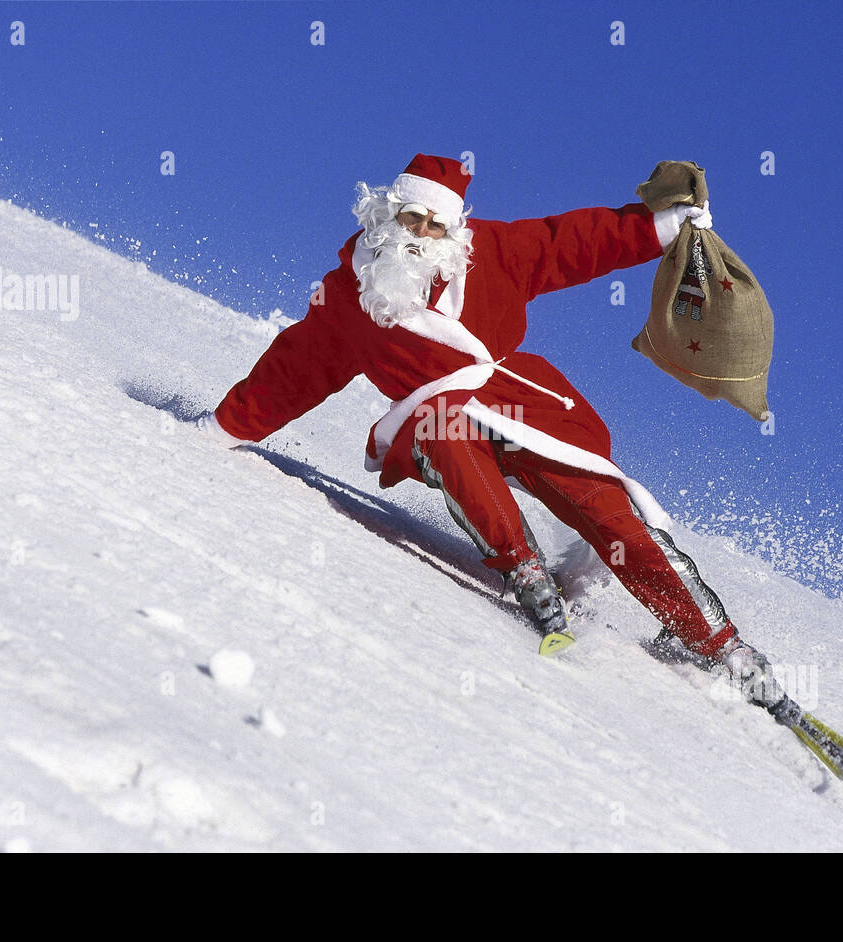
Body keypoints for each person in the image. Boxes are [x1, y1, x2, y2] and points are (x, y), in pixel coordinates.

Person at [195, 154, 787, 716]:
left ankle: (719, 642)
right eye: (411, 218)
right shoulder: (350, 296)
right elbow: (296, 369)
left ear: (454, 228)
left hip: (520, 402)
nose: (421, 233)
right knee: (443, 432)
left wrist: (663, 226)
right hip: (436, 420)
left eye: (435, 223)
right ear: (386, 213)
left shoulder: (498, 252)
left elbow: (575, 241)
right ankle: (524, 568)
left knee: (603, 510)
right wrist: (224, 428)